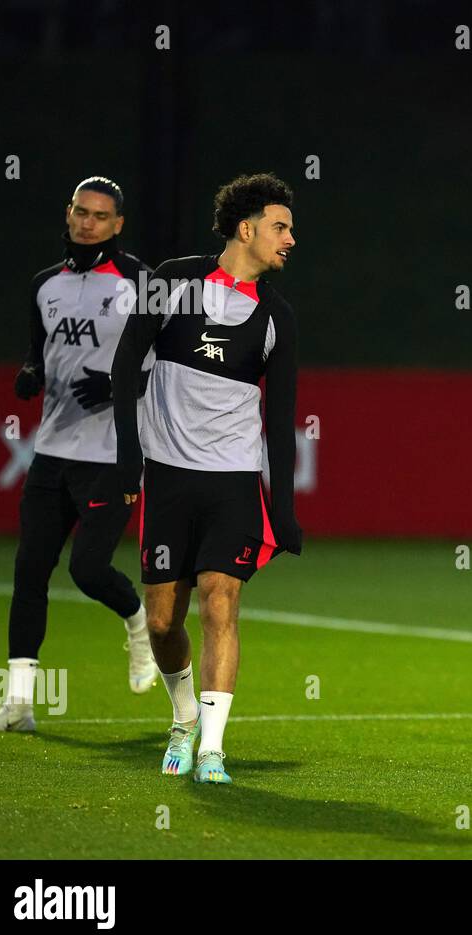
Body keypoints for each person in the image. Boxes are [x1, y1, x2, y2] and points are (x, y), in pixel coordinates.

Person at [112, 173, 302, 783]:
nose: (290, 239)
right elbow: (123, 372)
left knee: (222, 602)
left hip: (232, 483)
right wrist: (125, 459)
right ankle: (184, 716)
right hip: (168, 477)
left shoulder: (276, 316)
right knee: (164, 622)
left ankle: (213, 749)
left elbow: (279, 423)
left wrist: (287, 506)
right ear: (246, 229)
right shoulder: (169, 281)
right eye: (281, 227)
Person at [0, 176, 156, 734]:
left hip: (113, 453)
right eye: (81, 211)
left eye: (101, 215)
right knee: (29, 572)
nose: (88, 222)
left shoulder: (140, 282)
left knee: (88, 569)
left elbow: (163, 365)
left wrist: (120, 385)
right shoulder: (44, 285)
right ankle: (19, 705)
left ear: (118, 224)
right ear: (68, 213)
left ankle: (139, 624)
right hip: (52, 450)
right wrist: (29, 373)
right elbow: (38, 350)